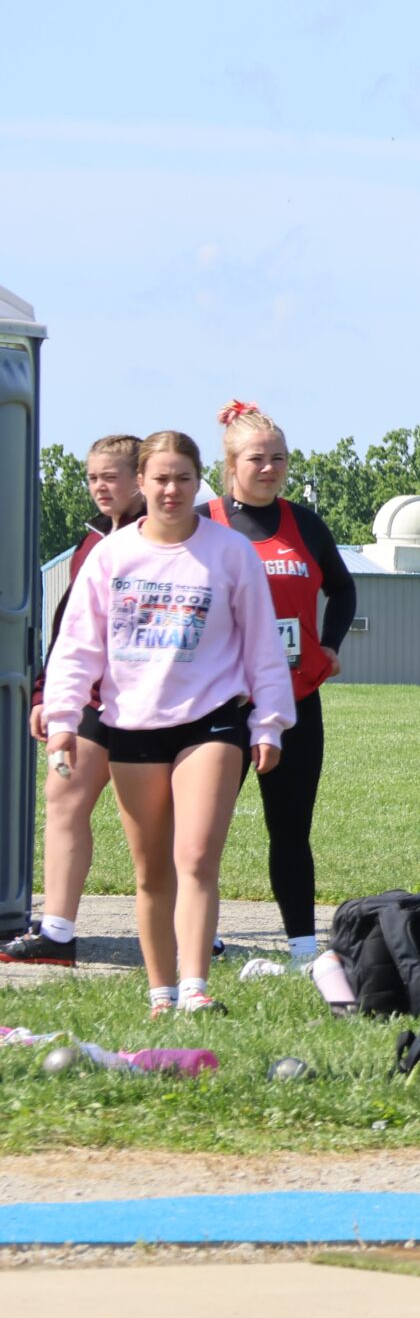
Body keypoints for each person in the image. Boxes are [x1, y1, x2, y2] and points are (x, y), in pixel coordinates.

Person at [44, 431, 293, 1016]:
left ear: (198, 480)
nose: (171, 489)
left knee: (198, 856)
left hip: (211, 721)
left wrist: (269, 724)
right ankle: (160, 993)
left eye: (183, 478)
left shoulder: (229, 553)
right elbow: (79, 646)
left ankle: (196, 988)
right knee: (152, 871)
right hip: (132, 724)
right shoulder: (112, 556)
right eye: (160, 478)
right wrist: (62, 718)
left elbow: (263, 647)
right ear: (142, 484)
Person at [203, 401, 358, 967]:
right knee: (202, 832)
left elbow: (342, 589)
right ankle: (201, 937)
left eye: (279, 458)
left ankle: (301, 947)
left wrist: (331, 645)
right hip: (218, 703)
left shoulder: (305, 524)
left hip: (293, 700)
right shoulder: (204, 522)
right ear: (230, 463)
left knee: (291, 829)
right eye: (256, 459)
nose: (269, 468)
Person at [6, 435, 146, 965]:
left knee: (155, 825)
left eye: (110, 476)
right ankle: (58, 933)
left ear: (140, 477)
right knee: (63, 801)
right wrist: (47, 693)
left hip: (148, 704)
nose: (99, 487)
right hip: (90, 703)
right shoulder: (92, 544)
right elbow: (69, 629)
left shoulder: (168, 538)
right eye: (92, 478)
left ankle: (189, 930)